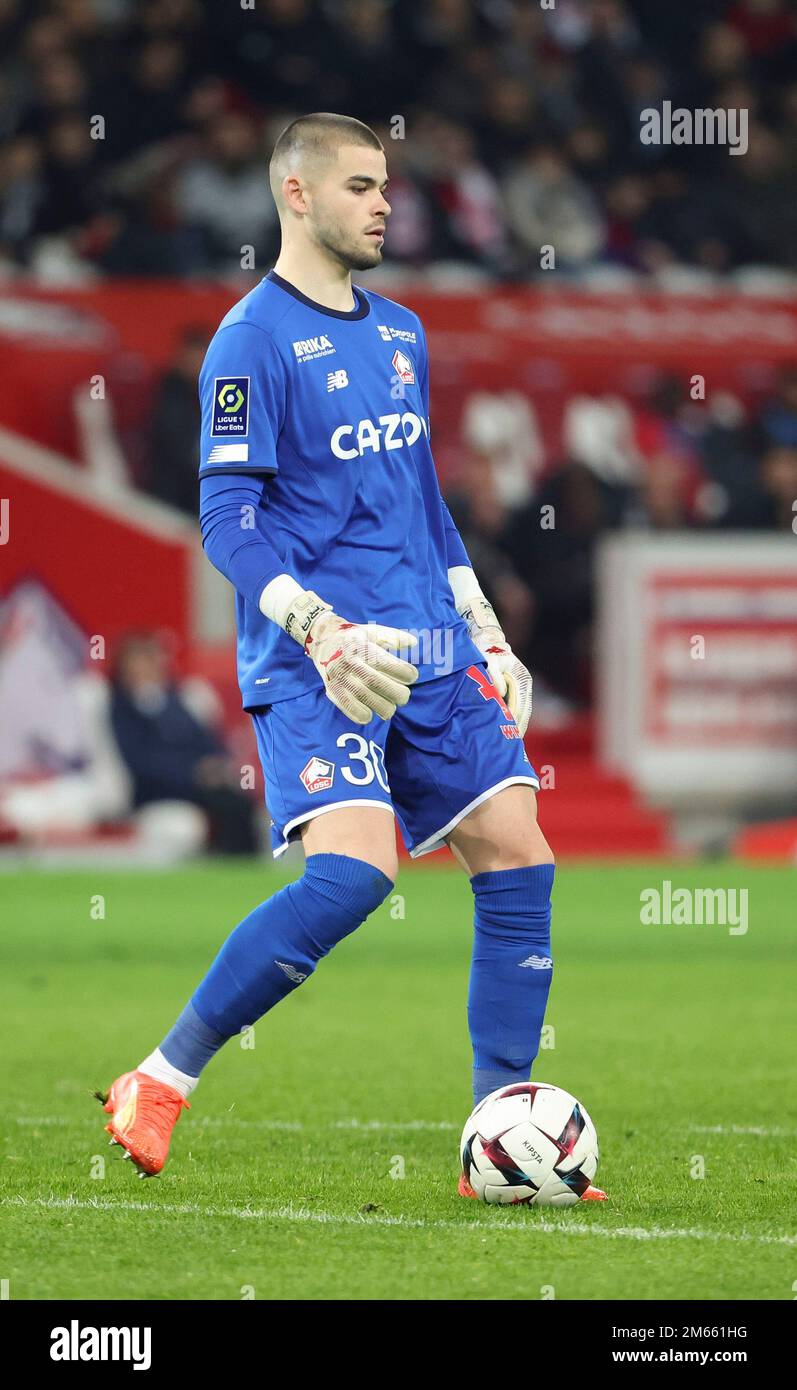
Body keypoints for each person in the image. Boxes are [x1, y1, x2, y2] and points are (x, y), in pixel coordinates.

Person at [96, 113, 604, 1202]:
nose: (384, 204)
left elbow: (422, 500)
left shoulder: (402, 332)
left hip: (429, 644)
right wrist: (318, 627)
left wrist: (481, 623)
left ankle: (497, 1139)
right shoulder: (250, 340)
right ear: (296, 194)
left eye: (386, 186)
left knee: (518, 853)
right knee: (354, 875)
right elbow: (226, 518)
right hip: (323, 659)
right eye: (362, 186)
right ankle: (160, 1077)